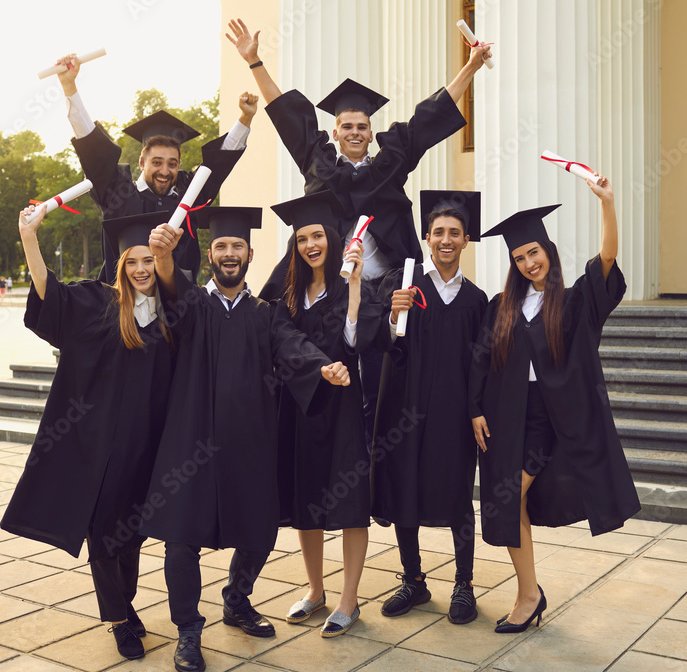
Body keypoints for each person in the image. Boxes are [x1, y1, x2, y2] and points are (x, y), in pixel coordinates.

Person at [226, 17, 491, 446]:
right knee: (309, 360)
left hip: (384, 288)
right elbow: (288, 117)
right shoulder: (318, 162)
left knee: (384, 379)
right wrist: (255, 61)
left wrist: (472, 67)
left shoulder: (390, 163)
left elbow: (428, 117)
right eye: (347, 126)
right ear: (336, 131)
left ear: (371, 133)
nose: (354, 132)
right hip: (327, 288)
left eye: (361, 126)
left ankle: (381, 474)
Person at [142, 208, 351, 672]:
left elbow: (293, 346)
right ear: (211, 254)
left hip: (249, 442)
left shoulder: (267, 314)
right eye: (221, 247)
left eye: (237, 247)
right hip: (190, 442)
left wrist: (323, 365)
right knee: (179, 539)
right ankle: (188, 631)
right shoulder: (193, 304)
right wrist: (161, 257)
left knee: (259, 528)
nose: (230, 254)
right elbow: (170, 286)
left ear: (250, 254)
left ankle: (237, 601)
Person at [1, 206, 175, 661]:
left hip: (147, 448)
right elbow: (48, 293)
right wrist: (29, 238)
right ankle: (118, 618)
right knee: (102, 532)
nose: (140, 270)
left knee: (133, 532)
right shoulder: (96, 302)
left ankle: (126, 604)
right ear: (120, 265)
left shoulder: (170, 313)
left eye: (147, 261)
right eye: (131, 262)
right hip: (98, 448)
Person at [468, 174, 641, 633]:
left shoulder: (573, 302)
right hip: (506, 416)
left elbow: (607, 259)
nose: (528, 263)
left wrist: (607, 203)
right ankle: (528, 593)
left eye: (534, 253)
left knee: (510, 499)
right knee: (509, 506)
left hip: (551, 417)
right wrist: (474, 408)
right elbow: (481, 361)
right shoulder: (501, 306)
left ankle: (528, 596)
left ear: (548, 252)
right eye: (520, 257)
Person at [270, 191, 387, 637]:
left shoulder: (350, 286)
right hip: (302, 407)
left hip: (343, 408)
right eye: (302, 238)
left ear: (333, 239)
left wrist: (357, 284)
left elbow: (357, 339)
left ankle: (349, 601)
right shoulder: (290, 293)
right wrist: (319, 367)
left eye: (317, 235)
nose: (310, 244)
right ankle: (316, 590)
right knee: (307, 500)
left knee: (351, 503)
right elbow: (281, 339)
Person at [372, 191, 488, 625]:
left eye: (454, 233)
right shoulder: (403, 287)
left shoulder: (476, 301)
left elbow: (481, 363)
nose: (445, 239)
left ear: (465, 240)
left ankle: (464, 584)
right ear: (425, 237)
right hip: (405, 413)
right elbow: (380, 342)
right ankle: (414, 581)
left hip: (454, 416)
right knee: (406, 490)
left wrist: (477, 409)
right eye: (438, 232)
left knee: (459, 496)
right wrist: (389, 317)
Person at [53, 52, 256, 284]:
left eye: (172, 164)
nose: (165, 171)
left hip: (178, 311)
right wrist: (70, 87)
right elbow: (96, 151)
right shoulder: (119, 195)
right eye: (156, 162)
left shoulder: (189, 196)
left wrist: (244, 119)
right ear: (142, 162)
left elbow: (217, 165)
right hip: (124, 312)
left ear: (179, 165)